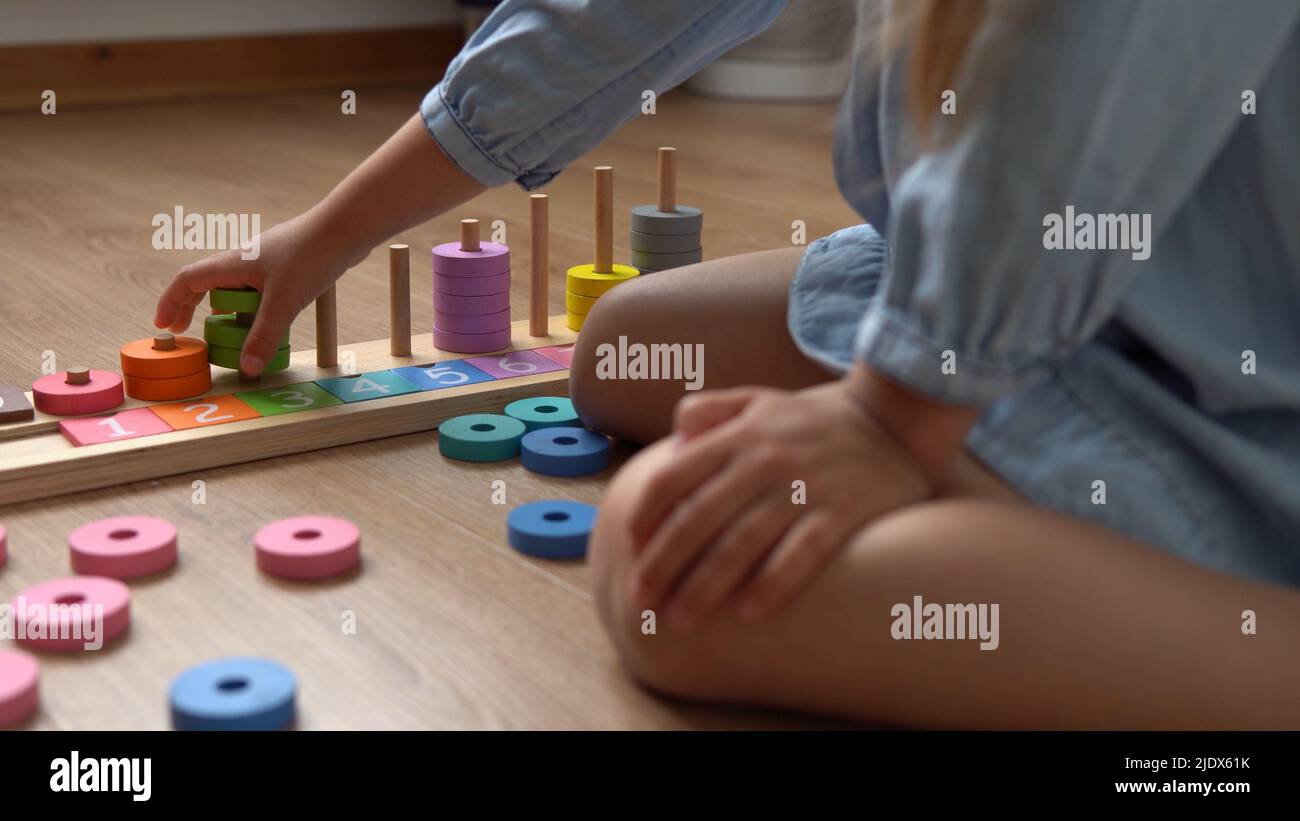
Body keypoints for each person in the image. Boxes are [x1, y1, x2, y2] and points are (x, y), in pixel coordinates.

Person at [155, 0, 1300, 727]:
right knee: (622, 348)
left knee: (662, 567)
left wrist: (893, 420)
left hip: (1234, 381)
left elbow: (1085, 75)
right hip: (1090, 288)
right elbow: (610, 13)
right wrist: (336, 227)